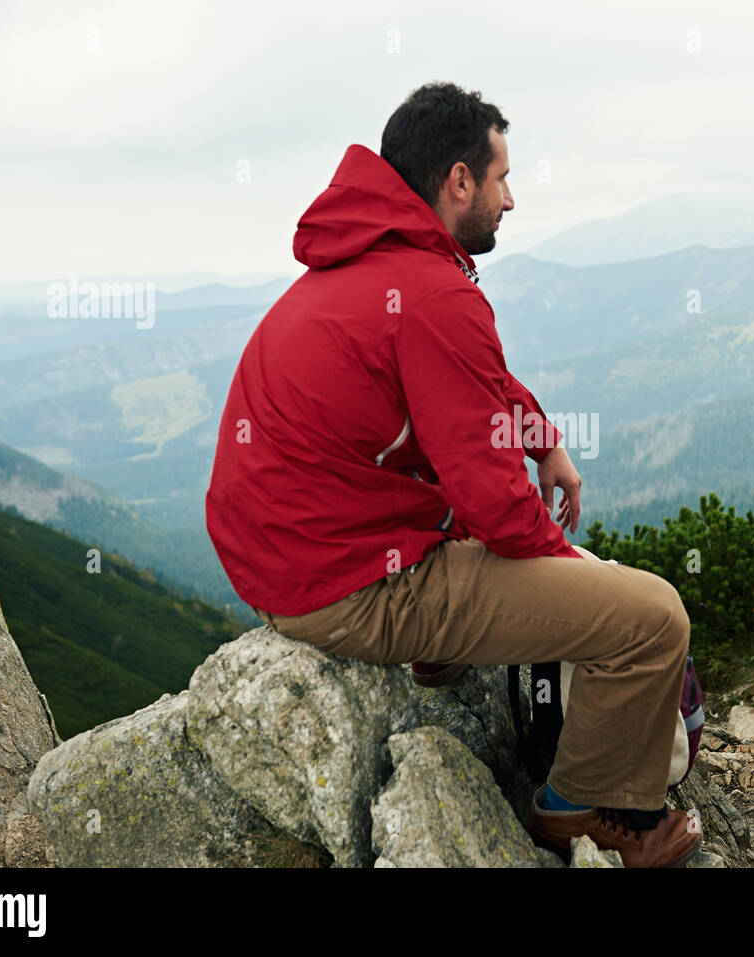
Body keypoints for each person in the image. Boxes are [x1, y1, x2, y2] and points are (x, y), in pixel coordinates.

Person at [205, 82, 701, 867]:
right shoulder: (433, 291)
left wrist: (542, 440)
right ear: (459, 181)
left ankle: (445, 647)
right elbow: (499, 509)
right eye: (502, 178)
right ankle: (586, 810)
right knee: (650, 619)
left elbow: (465, 388)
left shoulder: (372, 264)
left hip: (292, 560)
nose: (512, 199)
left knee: (533, 563)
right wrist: (576, 570)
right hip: (350, 585)